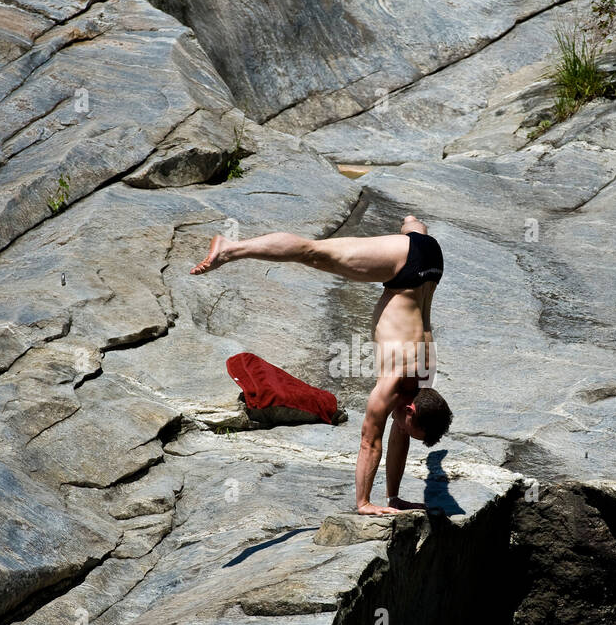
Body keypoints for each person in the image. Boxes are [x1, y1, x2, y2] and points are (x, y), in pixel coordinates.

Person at [191, 214, 453, 514]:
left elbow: (399, 436)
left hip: (430, 258)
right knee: (313, 253)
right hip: (404, 264)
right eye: (410, 428)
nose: (403, 432)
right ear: (410, 409)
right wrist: (364, 503)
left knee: (412, 235)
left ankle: (412, 226)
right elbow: (371, 442)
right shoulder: (393, 384)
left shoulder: (423, 383)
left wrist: (394, 499)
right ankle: (230, 248)